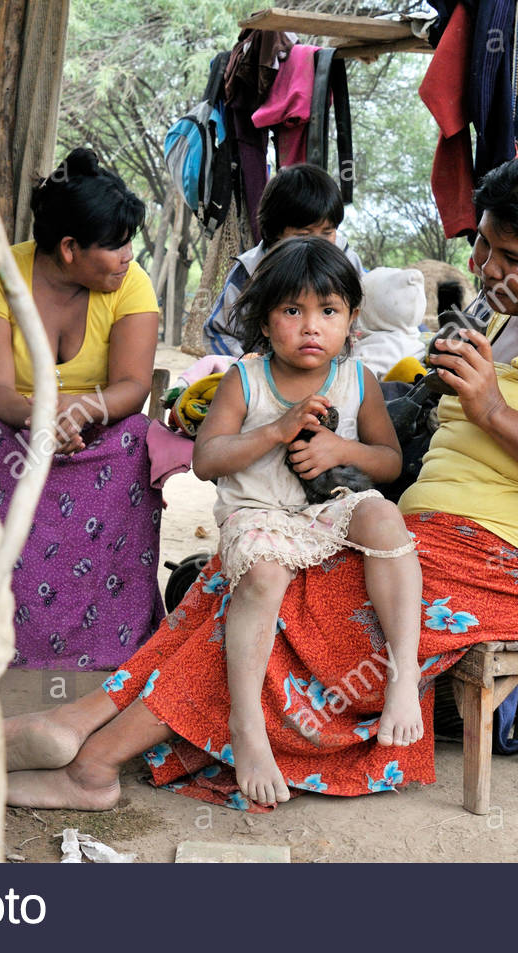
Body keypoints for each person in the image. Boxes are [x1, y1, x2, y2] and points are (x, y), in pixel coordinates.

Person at [3, 128, 518, 812]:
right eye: (485, 245)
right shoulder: (508, 317)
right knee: (235, 573)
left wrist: (493, 410)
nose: (488, 268)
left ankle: (94, 762)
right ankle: (79, 721)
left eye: (513, 257)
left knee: (291, 599)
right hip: (434, 537)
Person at [188, 238, 422, 807]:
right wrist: (274, 430)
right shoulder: (245, 378)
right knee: (264, 576)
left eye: (329, 311)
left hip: (327, 508)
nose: (311, 326)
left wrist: (342, 449)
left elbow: (388, 462)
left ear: (351, 321)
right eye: (293, 311)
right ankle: (247, 725)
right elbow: (205, 460)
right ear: (266, 323)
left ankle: (403, 678)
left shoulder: (358, 380)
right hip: (259, 514)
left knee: (386, 518)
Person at [0, 149, 164, 671]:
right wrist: (42, 418)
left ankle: (110, 644)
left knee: (136, 439)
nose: (127, 256)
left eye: (130, 243)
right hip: (16, 429)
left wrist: (82, 411)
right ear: (70, 248)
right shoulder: (3, 274)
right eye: (116, 245)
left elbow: (132, 386)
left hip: (94, 437)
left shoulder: (132, 283)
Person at [202, 164, 365, 357]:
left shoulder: (347, 262)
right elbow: (217, 332)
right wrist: (244, 366)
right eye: (304, 235)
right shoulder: (251, 270)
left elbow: (370, 324)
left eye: (327, 233)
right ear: (275, 233)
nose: (316, 244)